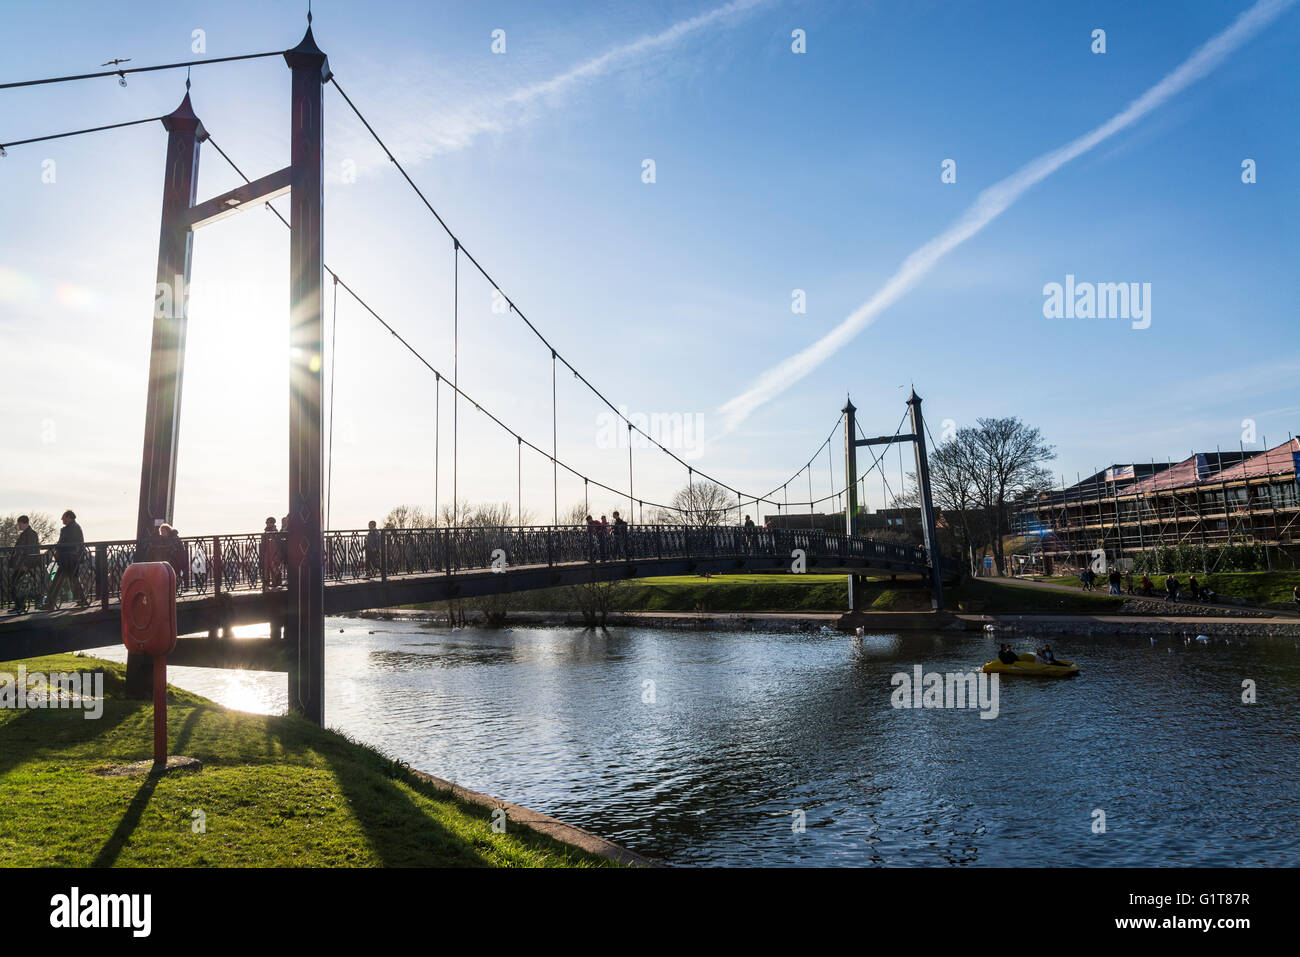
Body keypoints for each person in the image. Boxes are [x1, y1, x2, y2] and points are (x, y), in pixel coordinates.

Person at [41, 509, 87, 609]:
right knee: (72, 579)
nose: (62, 519)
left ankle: (50, 603)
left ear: (69, 517)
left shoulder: (70, 529)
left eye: (63, 517)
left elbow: (64, 543)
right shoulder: (75, 527)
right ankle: (82, 600)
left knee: (59, 580)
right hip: (71, 558)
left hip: (68, 558)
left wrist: (57, 549)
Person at [7, 515, 43, 614]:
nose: (18, 526)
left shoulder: (30, 534)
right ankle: (20, 605)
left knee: (16, 584)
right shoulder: (27, 533)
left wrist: (26, 564)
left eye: (19, 524)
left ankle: (21, 606)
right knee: (17, 584)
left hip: (26, 564)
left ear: (24, 523)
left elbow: (31, 550)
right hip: (23, 564)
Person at [261, 517, 282, 591]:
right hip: (268, 551)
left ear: (272, 523)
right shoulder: (268, 530)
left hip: (272, 551)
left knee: (273, 566)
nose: (267, 524)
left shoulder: (273, 531)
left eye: (268, 522)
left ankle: (275, 582)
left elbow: (274, 542)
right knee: (268, 567)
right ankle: (269, 582)